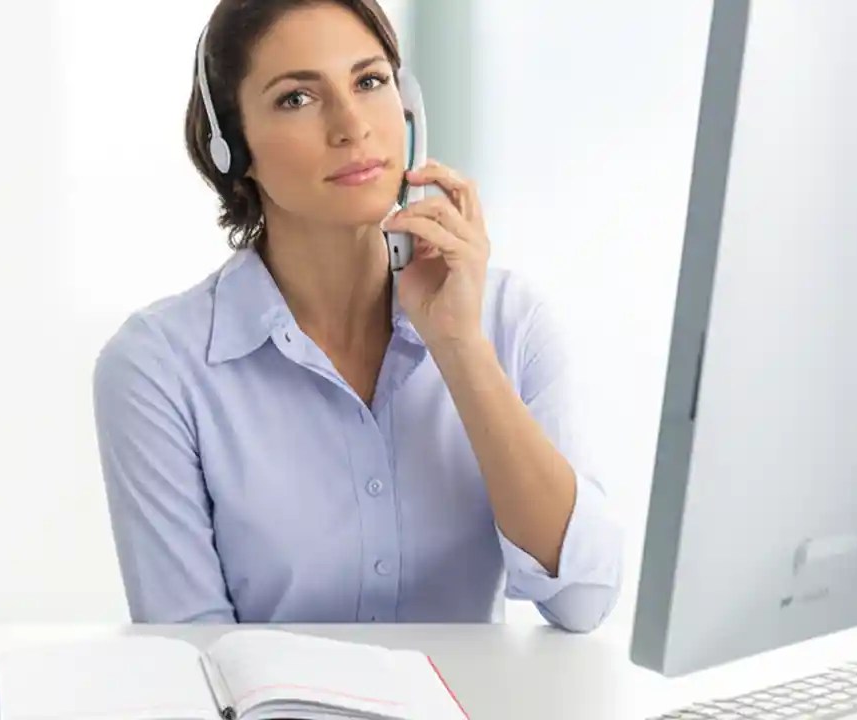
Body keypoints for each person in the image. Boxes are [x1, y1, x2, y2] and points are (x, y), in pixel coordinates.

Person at [92, 0, 623, 632]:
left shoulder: (509, 319)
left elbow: (583, 601)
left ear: (409, 110)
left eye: (370, 82)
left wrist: (460, 349)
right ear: (234, 145)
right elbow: (191, 655)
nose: (352, 126)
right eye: (296, 98)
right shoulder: (158, 368)